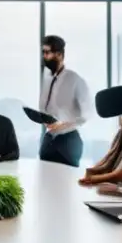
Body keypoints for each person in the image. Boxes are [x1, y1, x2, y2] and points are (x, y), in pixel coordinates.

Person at [38, 35, 90, 167]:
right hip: (49, 139)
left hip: (68, 141)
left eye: (47, 52)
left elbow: (87, 114)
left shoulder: (75, 80)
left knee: (66, 182)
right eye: (43, 52)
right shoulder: (47, 80)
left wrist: (63, 125)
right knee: (44, 179)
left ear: (60, 55)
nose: (44, 56)